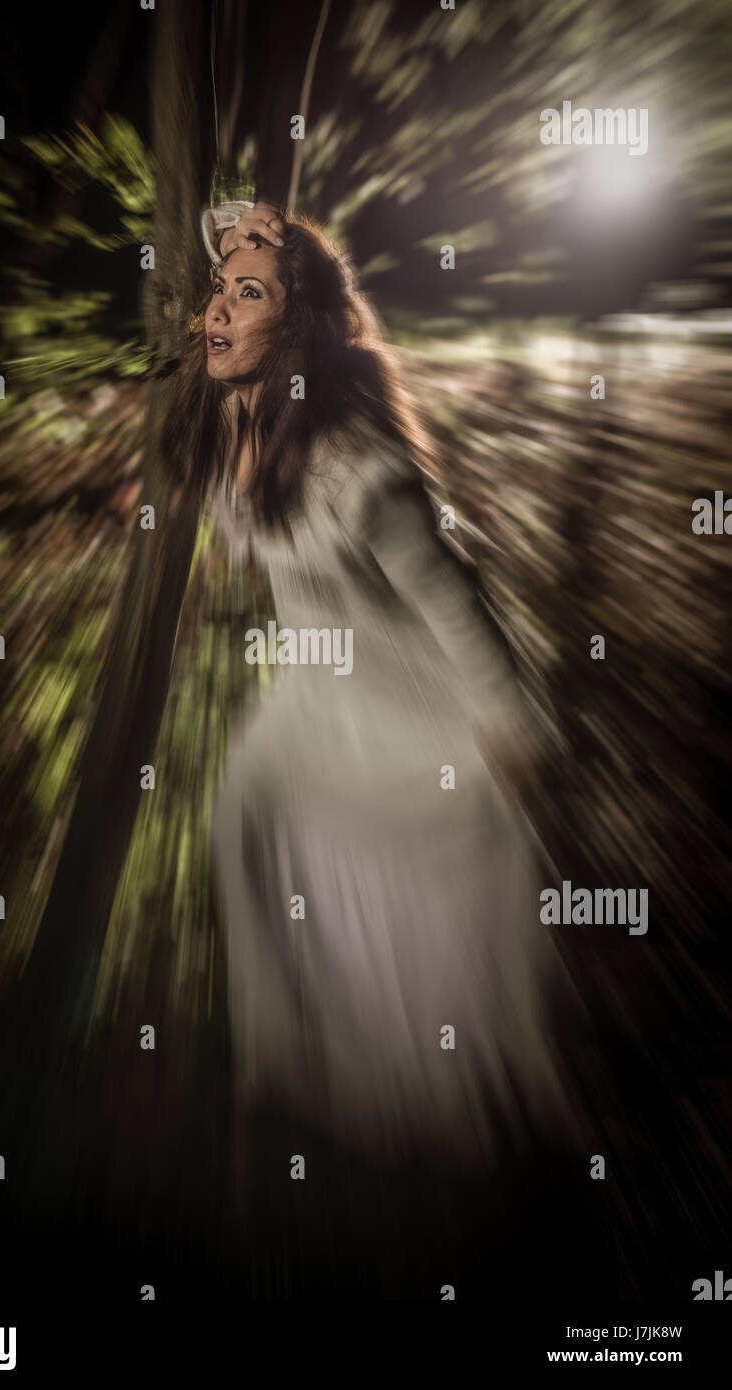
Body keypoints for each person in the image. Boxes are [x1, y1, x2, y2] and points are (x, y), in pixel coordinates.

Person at [161, 200, 590, 1185]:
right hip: (314, 693)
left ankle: (444, 1106)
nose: (216, 309)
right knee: (247, 815)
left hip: (413, 704)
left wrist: (512, 724)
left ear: (300, 327)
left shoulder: (365, 467)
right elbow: (209, 237)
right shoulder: (239, 415)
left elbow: (455, 599)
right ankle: (282, 1076)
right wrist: (254, 233)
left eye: (249, 294)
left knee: (421, 899)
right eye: (220, 290)